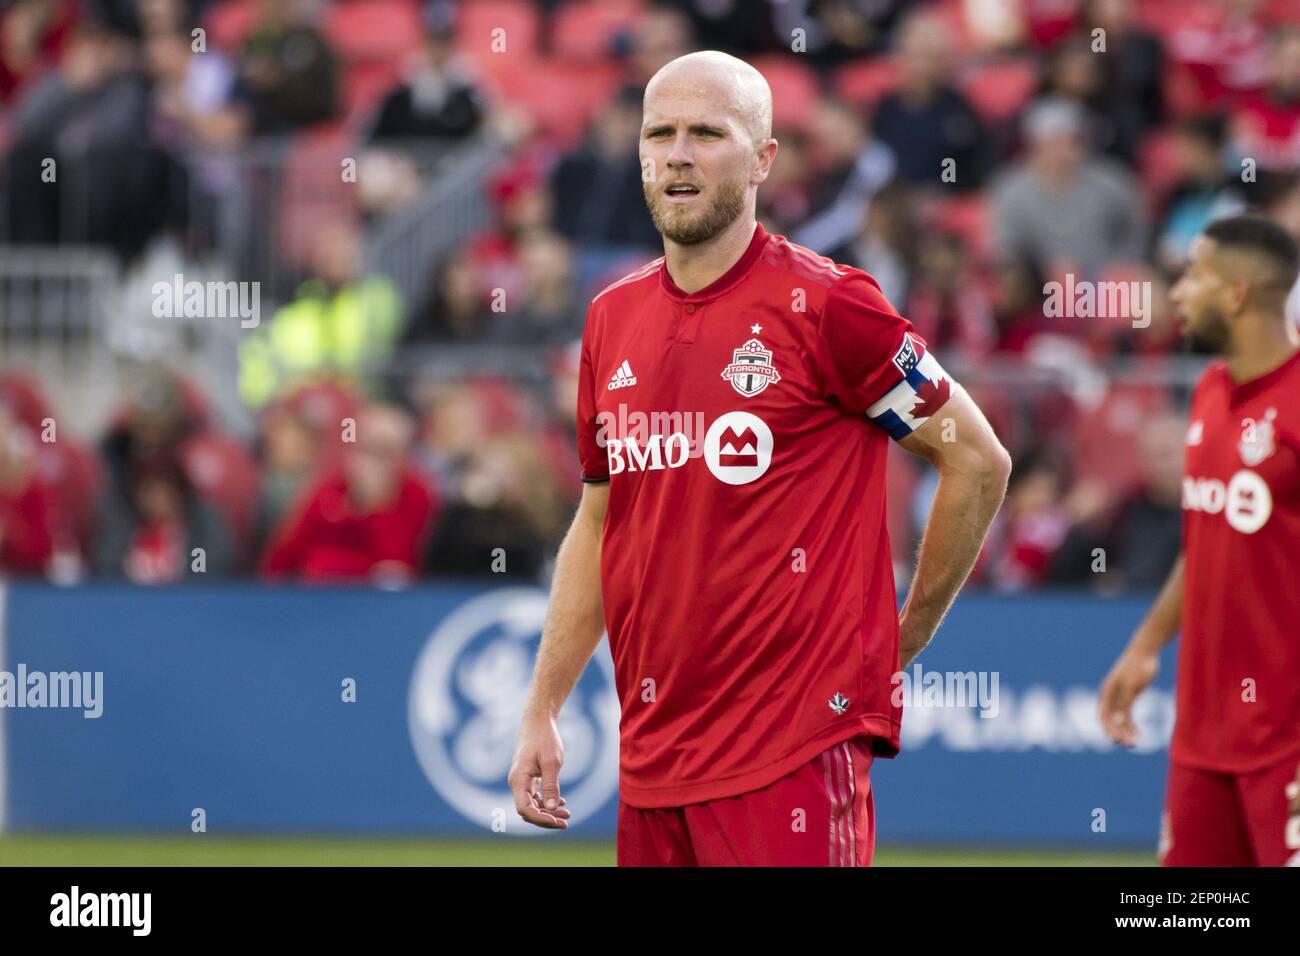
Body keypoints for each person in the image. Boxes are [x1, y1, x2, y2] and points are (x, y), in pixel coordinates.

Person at [508, 51, 1011, 866]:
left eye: (707, 133)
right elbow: (602, 520)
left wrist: (897, 639)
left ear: (764, 159)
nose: (677, 153)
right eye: (659, 133)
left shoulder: (833, 305)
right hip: (653, 762)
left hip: (791, 758)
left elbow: (978, 461)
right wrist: (543, 707)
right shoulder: (609, 319)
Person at [1099, 215, 1300, 866]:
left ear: (1237, 293)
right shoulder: (1209, 390)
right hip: (1202, 739)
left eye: (1194, 276)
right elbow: (1206, 544)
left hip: (1288, 743)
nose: (1178, 293)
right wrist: (1145, 645)